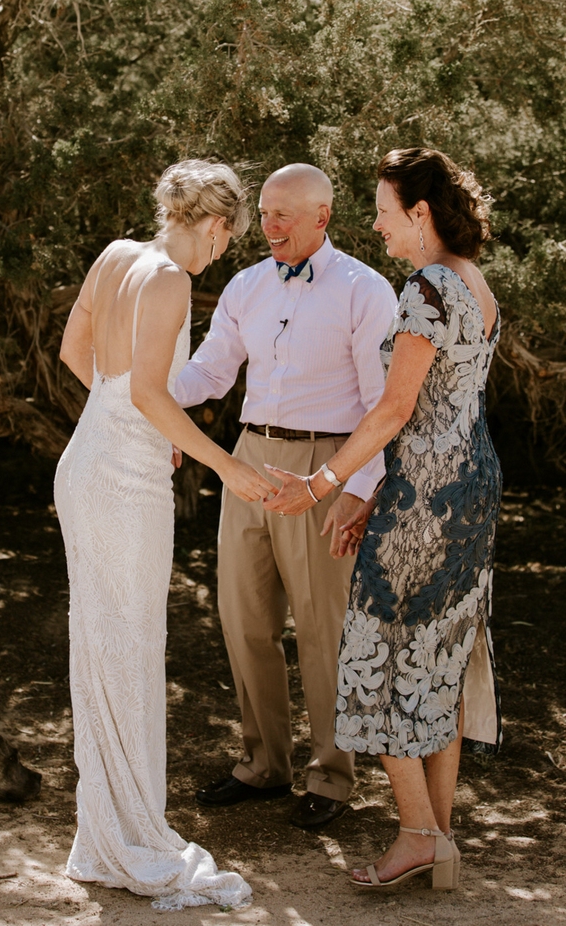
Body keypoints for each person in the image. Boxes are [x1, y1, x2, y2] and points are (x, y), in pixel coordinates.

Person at [265, 148, 502, 891]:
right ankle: (438, 836)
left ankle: (414, 836)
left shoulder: (427, 285)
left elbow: (395, 408)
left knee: (379, 653)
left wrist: (324, 481)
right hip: (469, 490)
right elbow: (436, 409)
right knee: (439, 658)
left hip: (426, 504)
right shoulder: (474, 282)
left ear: (420, 214)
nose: (376, 225)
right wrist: (370, 494)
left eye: (384, 212)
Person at [54, 159, 277, 910]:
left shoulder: (116, 256)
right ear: (216, 225)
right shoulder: (175, 281)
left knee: (103, 645)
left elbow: (75, 355)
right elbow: (151, 390)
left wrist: (129, 416)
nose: (221, 252)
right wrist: (225, 466)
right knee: (131, 646)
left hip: (85, 462)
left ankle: (107, 833)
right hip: (122, 482)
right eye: (227, 239)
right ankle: (132, 837)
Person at [174, 163, 397, 829]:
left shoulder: (365, 289)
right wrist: (143, 395)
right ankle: (263, 763)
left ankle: (331, 776)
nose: (267, 225)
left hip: (326, 464)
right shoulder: (245, 286)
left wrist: (356, 492)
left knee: (323, 629)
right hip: (248, 458)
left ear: (321, 217)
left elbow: (382, 405)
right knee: (244, 619)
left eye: (283, 215)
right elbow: (211, 371)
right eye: (264, 213)